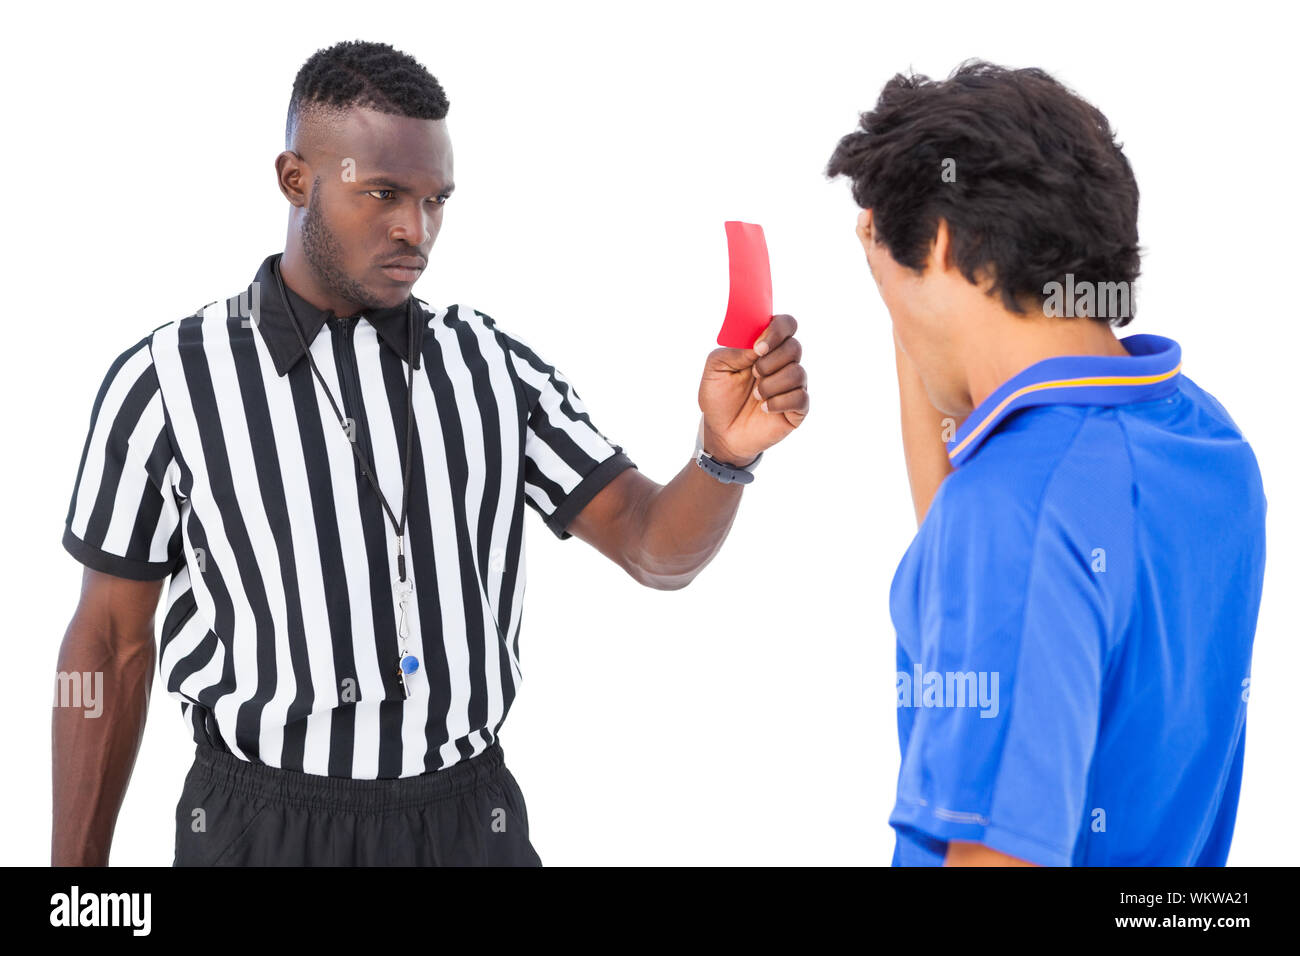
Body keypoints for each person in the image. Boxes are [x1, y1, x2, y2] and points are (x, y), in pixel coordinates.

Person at [53, 39, 809, 866]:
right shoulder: (165, 382)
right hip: (257, 824)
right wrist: (74, 886)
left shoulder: (491, 366)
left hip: (465, 820)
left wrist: (722, 457)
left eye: (436, 199)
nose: (417, 230)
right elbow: (111, 641)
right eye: (383, 193)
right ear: (296, 178)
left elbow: (653, 548)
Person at [827, 60, 1265, 866]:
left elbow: (1003, 552)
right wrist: (905, 282)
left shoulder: (1009, 516)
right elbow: (1000, 602)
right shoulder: (1205, 440)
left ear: (948, 245)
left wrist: (908, 283)